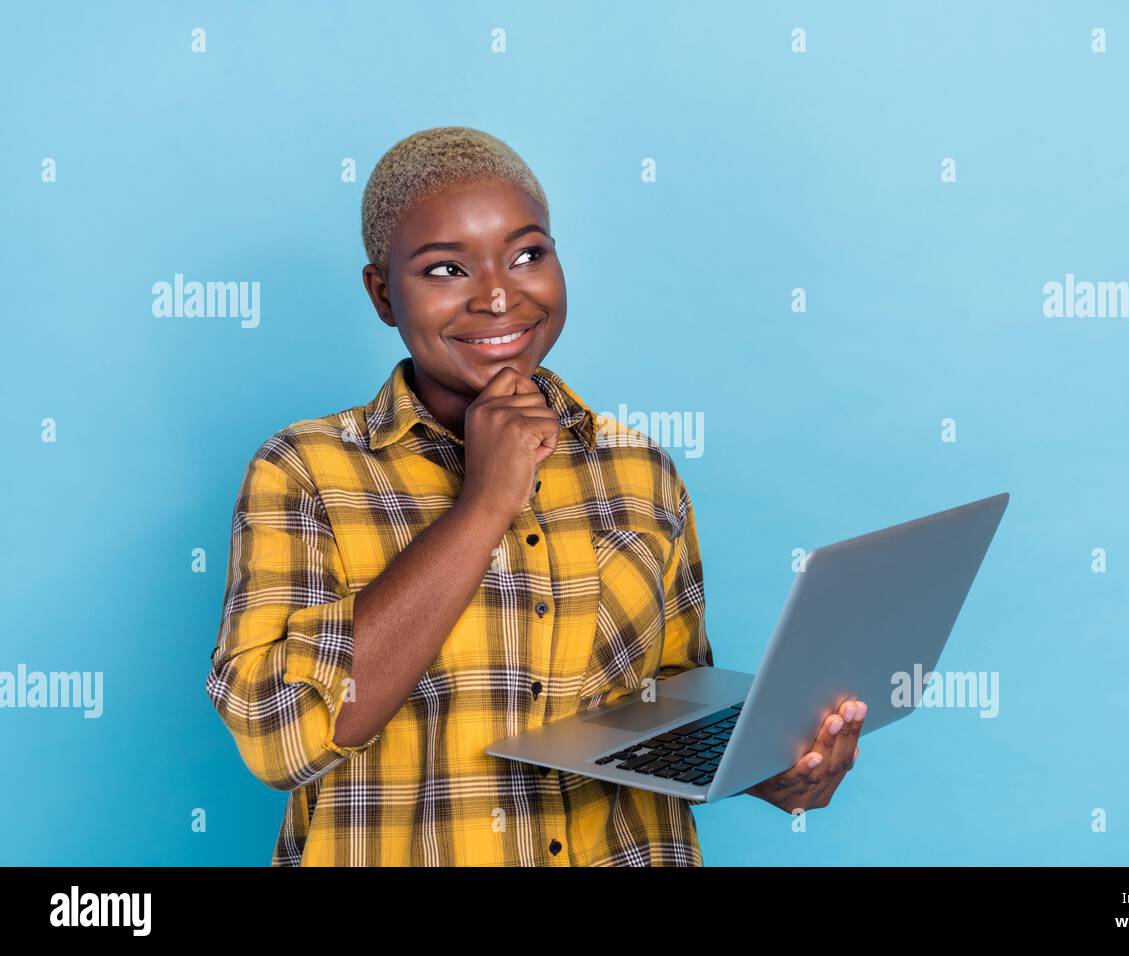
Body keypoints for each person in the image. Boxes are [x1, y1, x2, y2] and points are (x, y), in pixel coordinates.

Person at [205, 126, 866, 866]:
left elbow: (671, 700)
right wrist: (484, 504)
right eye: (446, 268)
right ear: (382, 294)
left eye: (528, 255)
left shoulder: (640, 469)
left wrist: (762, 763)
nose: (497, 296)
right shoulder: (306, 471)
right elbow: (278, 737)